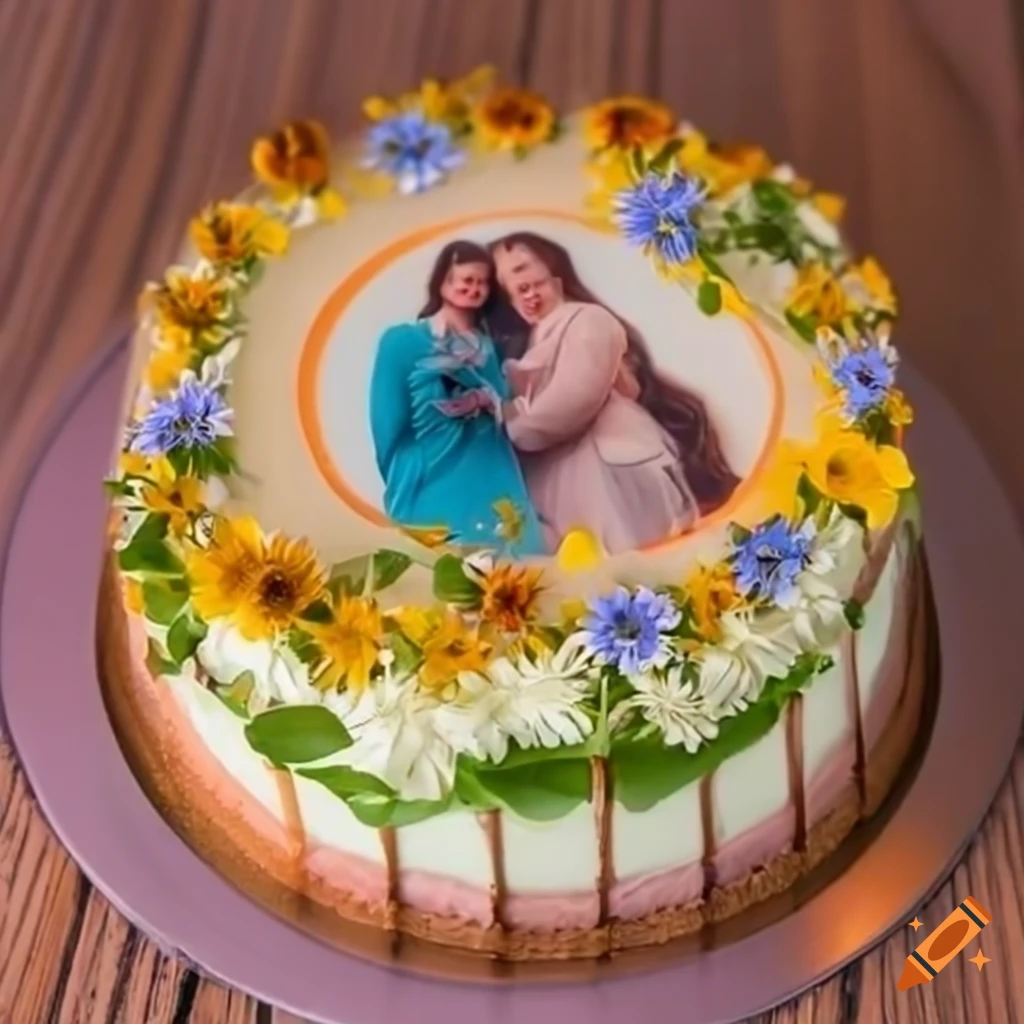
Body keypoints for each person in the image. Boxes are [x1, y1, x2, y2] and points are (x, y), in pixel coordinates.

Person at [488, 231, 739, 554]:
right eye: (508, 284)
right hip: (562, 473)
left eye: (523, 271)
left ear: (555, 273)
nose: (522, 291)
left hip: (607, 466)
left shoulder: (588, 320)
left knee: (632, 557)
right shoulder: (534, 340)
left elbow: (572, 399)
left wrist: (511, 434)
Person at [368, 240, 545, 556]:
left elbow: (503, 402)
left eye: (482, 283)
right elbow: (387, 423)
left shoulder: (487, 348)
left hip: (491, 466)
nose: (474, 289)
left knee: (514, 561)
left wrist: (482, 398)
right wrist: (410, 470)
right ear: (443, 281)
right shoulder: (403, 341)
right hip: (433, 469)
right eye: (466, 280)